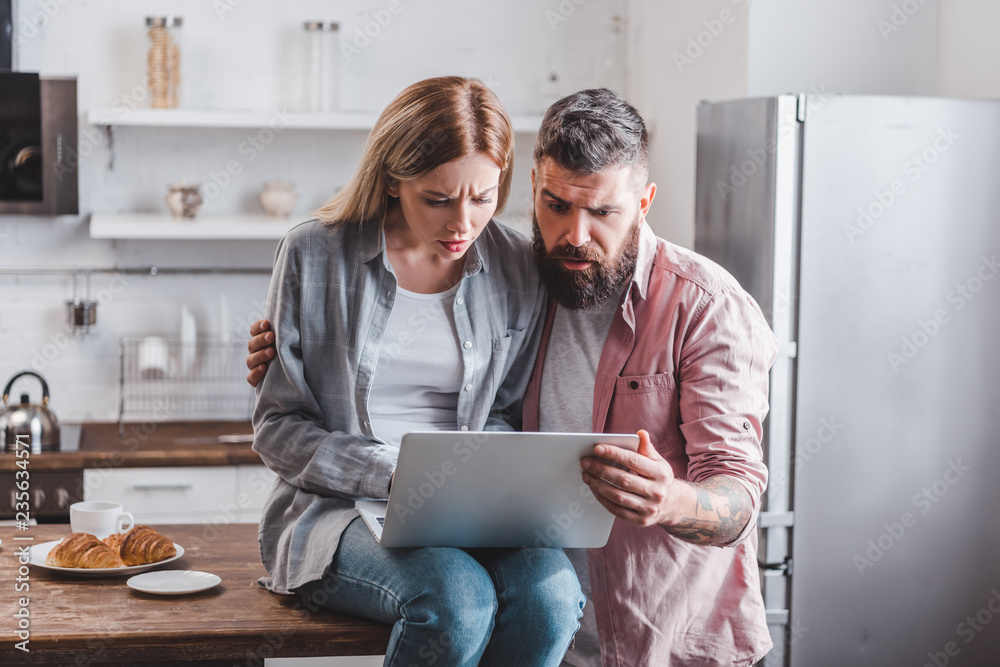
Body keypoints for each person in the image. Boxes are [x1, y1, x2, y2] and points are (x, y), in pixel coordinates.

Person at [249, 88, 777, 667]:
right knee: (457, 600)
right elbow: (286, 417)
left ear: (644, 202)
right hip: (371, 517)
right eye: (556, 206)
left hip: (651, 633)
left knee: (547, 597)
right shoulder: (528, 268)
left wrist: (671, 499)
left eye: (603, 212)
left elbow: (738, 492)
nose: (576, 234)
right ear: (532, 189)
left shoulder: (697, 304)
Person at [251, 75, 584, 667]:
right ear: (391, 180)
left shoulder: (516, 265)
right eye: (438, 199)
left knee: (552, 598)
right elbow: (279, 428)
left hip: (470, 505)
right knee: (456, 599)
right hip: (336, 508)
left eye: (482, 197)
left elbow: (504, 413)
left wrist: (476, 479)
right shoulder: (314, 254)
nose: (463, 223)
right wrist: (396, 473)